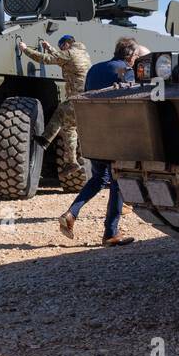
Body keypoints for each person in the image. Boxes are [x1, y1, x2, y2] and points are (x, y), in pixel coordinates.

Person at [58, 37, 150, 246]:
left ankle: (71, 214)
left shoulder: (95, 69)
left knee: (99, 178)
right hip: (115, 135)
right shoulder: (125, 71)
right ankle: (110, 233)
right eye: (136, 57)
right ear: (132, 56)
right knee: (119, 181)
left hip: (92, 132)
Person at [16, 34, 91, 165]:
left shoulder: (69, 53)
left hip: (78, 98)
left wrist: (25, 49)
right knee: (69, 128)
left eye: (61, 47)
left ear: (67, 44)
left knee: (61, 111)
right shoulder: (81, 53)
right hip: (85, 98)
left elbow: (46, 59)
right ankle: (71, 162)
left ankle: (45, 139)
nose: (61, 50)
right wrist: (49, 47)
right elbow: (62, 59)